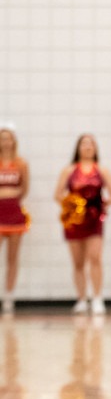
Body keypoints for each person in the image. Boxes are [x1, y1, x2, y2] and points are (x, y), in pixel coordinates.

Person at [54, 134, 111, 315]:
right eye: (84, 143)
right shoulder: (69, 171)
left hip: (94, 220)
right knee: (78, 262)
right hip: (74, 221)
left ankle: (97, 298)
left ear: (96, 148)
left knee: (95, 258)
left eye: (91, 144)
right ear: (78, 148)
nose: (88, 147)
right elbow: (58, 194)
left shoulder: (102, 171)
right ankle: (82, 299)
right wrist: (73, 204)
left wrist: (102, 204)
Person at [0, 123, 29, 313]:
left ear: (13, 141)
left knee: (12, 257)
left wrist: (12, 193)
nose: (5, 142)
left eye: (8, 138)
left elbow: (25, 188)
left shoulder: (21, 164)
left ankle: (9, 296)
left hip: (14, 213)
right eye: (2, 138)